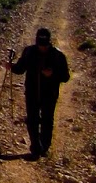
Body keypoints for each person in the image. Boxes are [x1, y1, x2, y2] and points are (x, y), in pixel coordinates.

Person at [6, 27, 70, 158]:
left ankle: (44, 147)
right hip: (32, 91)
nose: (42, 48)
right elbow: (20, 68)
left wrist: (53, 74)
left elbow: (65, 77)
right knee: (32, 119)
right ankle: (35, 147)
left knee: (47, 119)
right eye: (41, 45)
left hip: (50, 93)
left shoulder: (58, 56)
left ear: (49, 42)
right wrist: (11, 67)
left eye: (45, 45)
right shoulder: (29, 52)